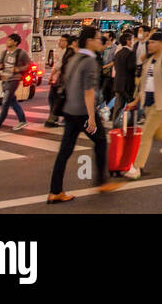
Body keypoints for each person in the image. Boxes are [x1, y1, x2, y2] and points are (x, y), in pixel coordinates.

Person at [47, 26, 120, 203]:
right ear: (89, 41)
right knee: (101, 141)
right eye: (97, 38)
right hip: (83, 112)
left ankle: (55, 191)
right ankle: (102, 182)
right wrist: (92, 117)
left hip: (70, 110)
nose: (100, 41)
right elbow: (88, 91)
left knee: (65, 151)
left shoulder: (74, 58)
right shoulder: (90, 61)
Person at [122, 31, 162, 179]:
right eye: (149, 42)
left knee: (146, 134)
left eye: (153, 42)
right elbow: (144, 85)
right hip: (148, 103)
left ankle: (137, 167)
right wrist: (136, 101)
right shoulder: (149, 61)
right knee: (160, 133)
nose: (149, 45)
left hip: (161, 103)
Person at [0, 34, 32, 131]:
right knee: (12, 101)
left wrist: (18, 69)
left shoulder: (21, 53)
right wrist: (0, 66)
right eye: (7, 40)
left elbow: (28, 65)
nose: (7, 42)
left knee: (5, 101)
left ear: (15, 42)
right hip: (5, 79)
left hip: (14, 79)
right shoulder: (4, 53)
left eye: (9, 40)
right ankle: (22, 120)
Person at [43, 35, 71, 128]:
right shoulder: (58, 50)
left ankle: (54, 118)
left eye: (62, 40)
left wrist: (51, 76)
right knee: (53, 99)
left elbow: (58, 66)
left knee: (56, 99)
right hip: (57, 79)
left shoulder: (66, 52)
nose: (60, 42)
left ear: (67, 42)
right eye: (60, 40)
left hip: (60, 79)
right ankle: (56, 117)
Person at [109, 31, 136, 118]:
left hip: (118, 83)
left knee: (118, 107)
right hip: (127, 84)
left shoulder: (118, 53)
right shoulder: (130, 53)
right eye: (132, 40)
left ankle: (115, 125)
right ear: (128, 41)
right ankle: (129, 125)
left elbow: (116, 67)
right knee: (131, 106)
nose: (133, 42)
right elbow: (131, 68)